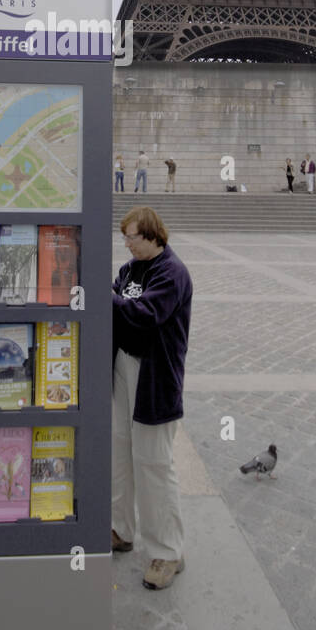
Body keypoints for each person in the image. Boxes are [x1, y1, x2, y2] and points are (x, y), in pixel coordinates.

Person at [111, 206, 192, 591]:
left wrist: (104, 298)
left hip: (154, 376)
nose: (126, 244)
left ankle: (167, 551)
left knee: (154, 463)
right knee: (120, 451)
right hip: (123, 369)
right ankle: (121, 529)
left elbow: (143, 315)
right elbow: (119, 307)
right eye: (124, 237)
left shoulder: (172, 273)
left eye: (133, 237)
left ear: (154, 236)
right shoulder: (129, 270)